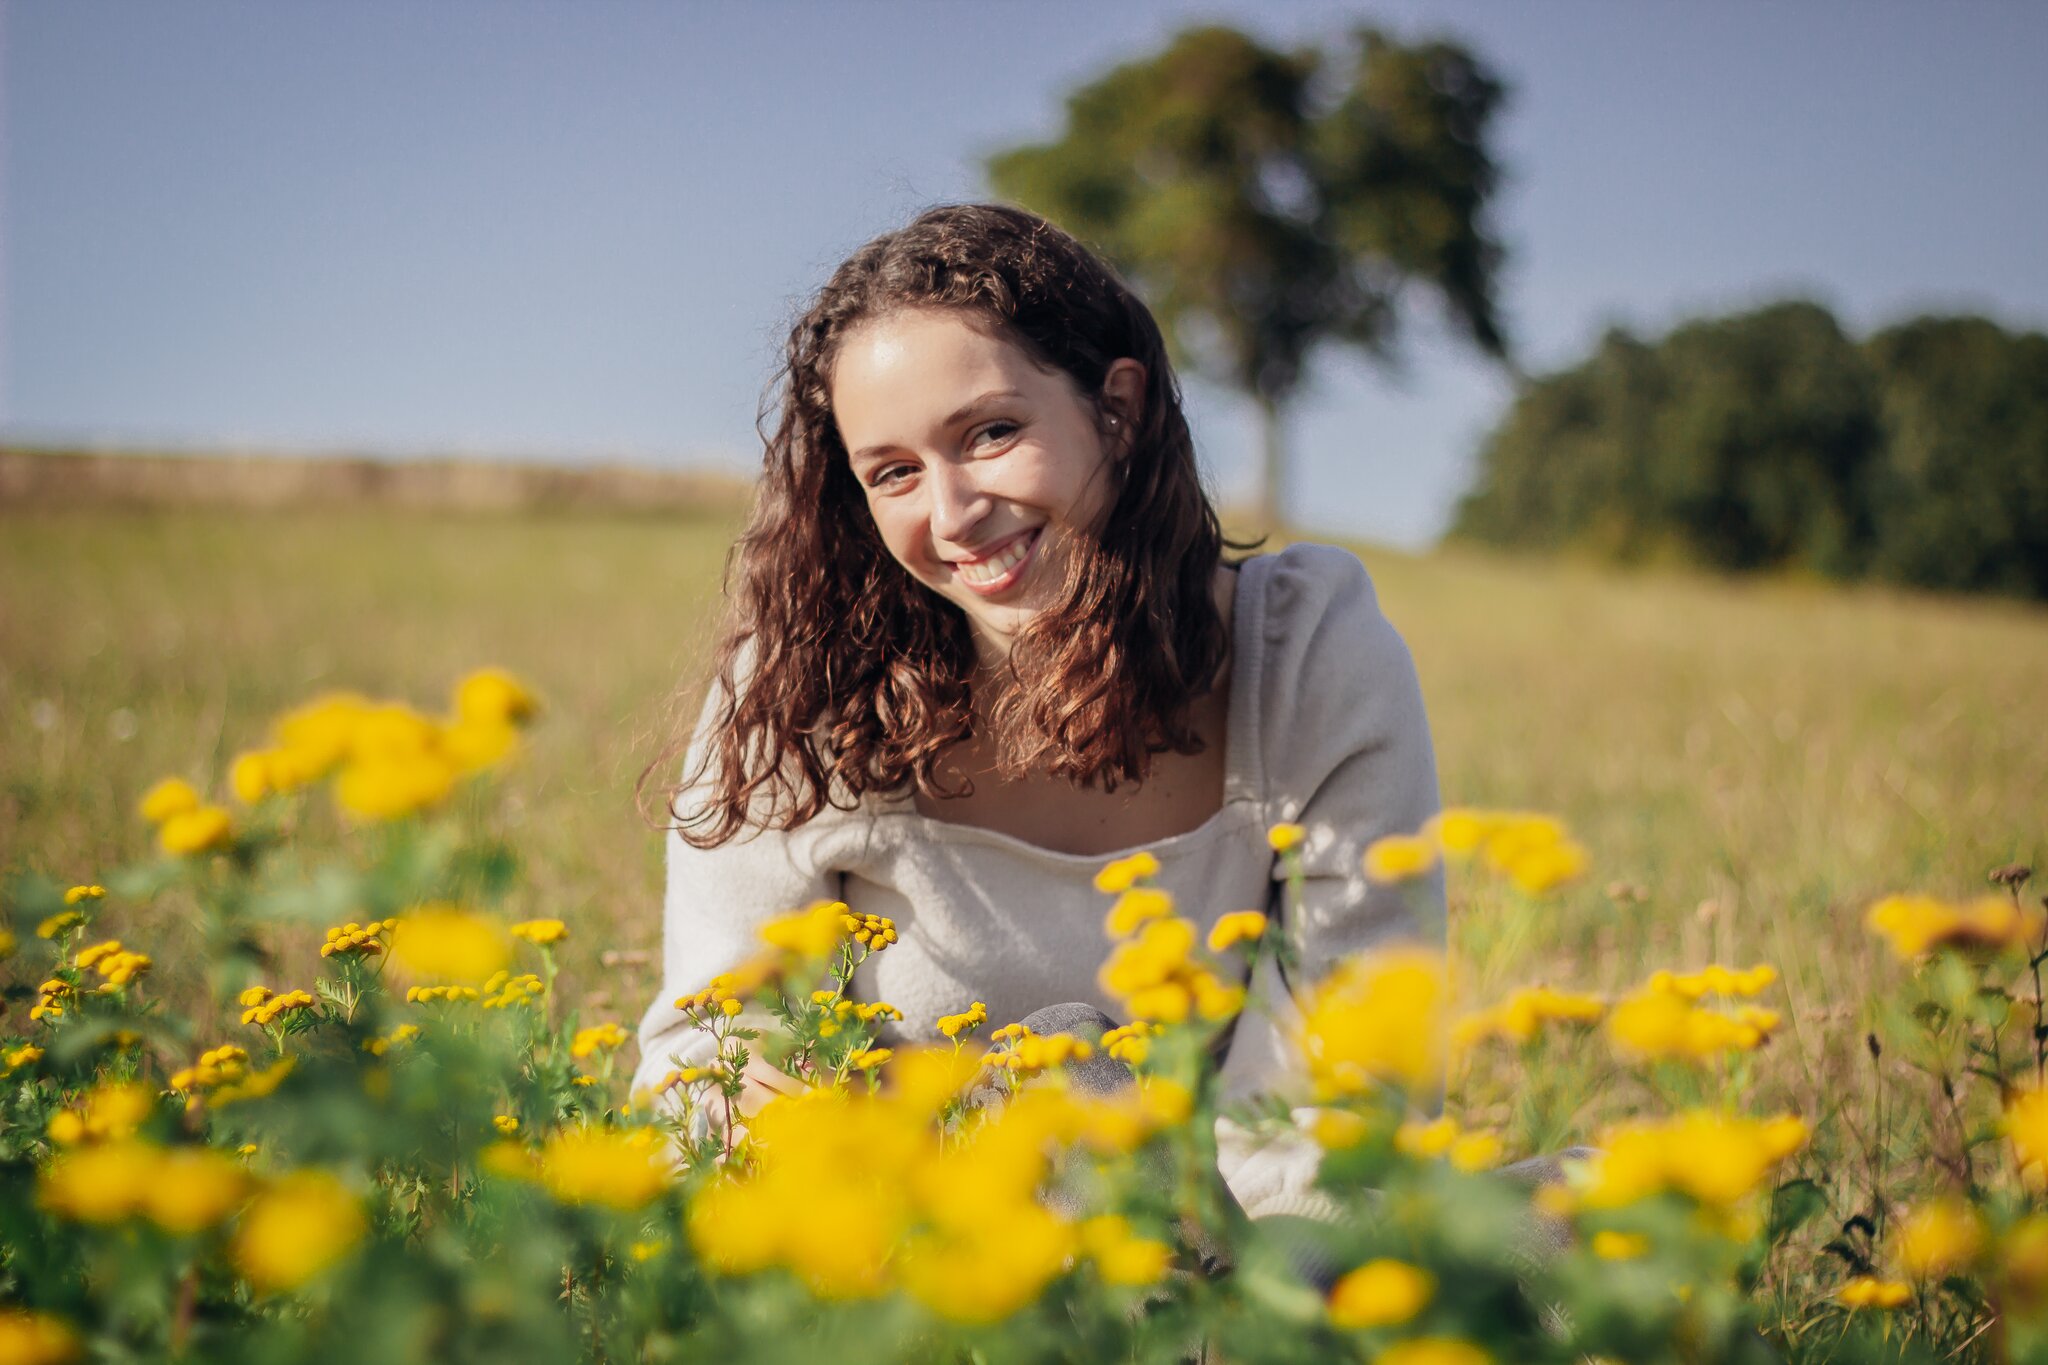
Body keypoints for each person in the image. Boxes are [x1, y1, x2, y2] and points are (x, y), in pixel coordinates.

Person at [630, 203, 1447, 1223]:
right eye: (893, 473)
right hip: (896, 1241)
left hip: (1230, 1251)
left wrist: (1210, 1279)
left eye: (990, 433)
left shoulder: (1307, 657)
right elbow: (702, 1062)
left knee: (1575, 1223)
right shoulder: (800, 691)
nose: (952, 514)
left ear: (1118, 409)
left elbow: (1354, 1090)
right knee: (1072, 1073)